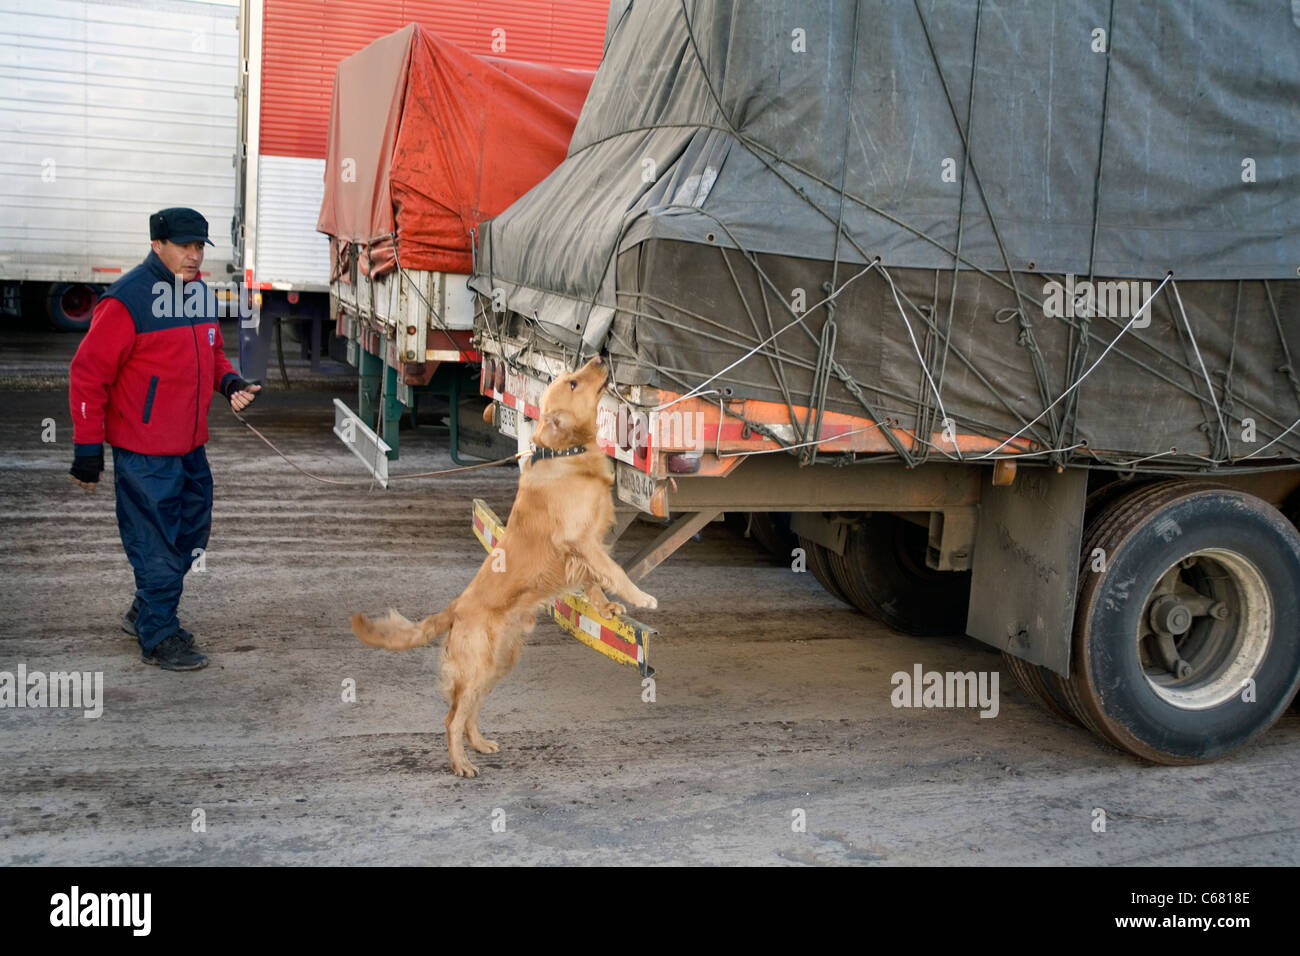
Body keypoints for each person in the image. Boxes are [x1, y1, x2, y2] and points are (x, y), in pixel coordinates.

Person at [68, 207, 261, 671]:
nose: (195, 256)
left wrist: (230, 382)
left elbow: (212, 352)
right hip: (144, 452)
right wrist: (87, 450)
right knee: (155, 544)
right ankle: (159, 634)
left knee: (192, 536)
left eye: (200, 247)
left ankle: (145, 609)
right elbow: (86, 376)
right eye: (185, 246)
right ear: (158, 245)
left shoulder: (197, 293)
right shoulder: (125, 301)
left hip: (190, 446)